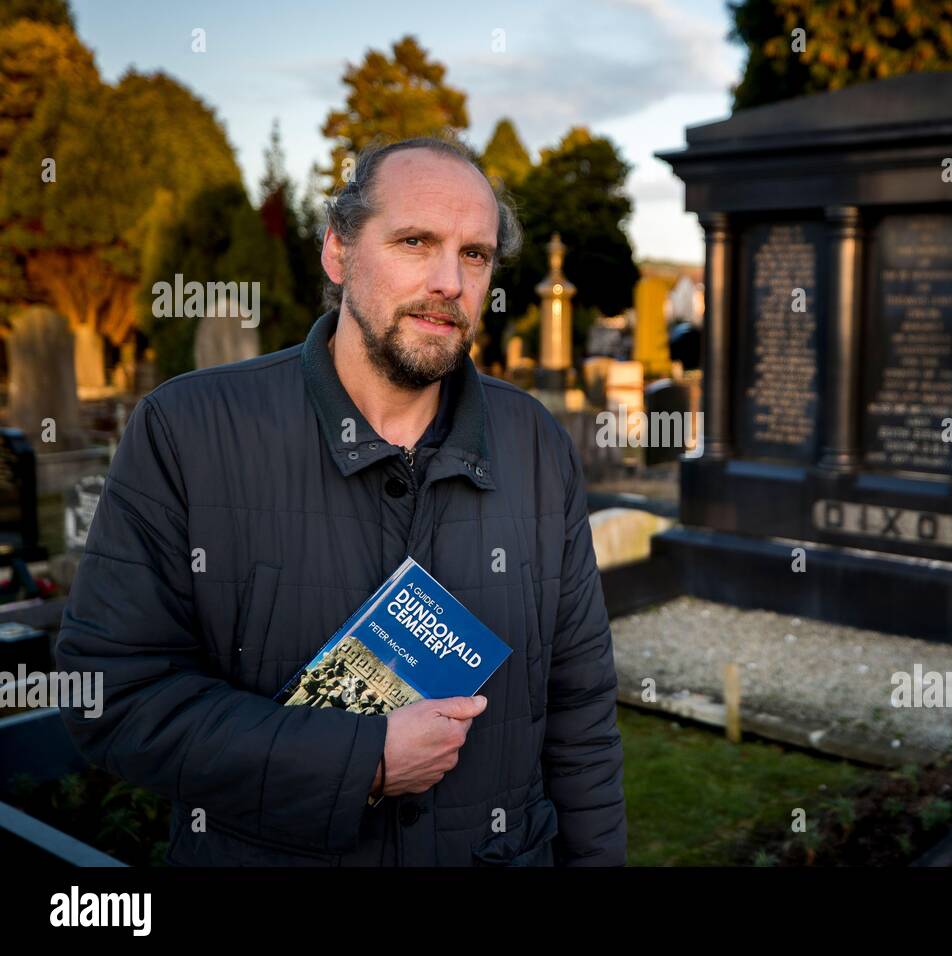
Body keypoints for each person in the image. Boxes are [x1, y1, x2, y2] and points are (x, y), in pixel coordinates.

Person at [55, 134, 627, 867]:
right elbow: (113, 696)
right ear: (338, 251)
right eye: (415, 241)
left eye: (475, 254)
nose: (449, 281)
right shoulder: (191, 432)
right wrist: (362, 760)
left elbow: (580, 716)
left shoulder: (537, 446)